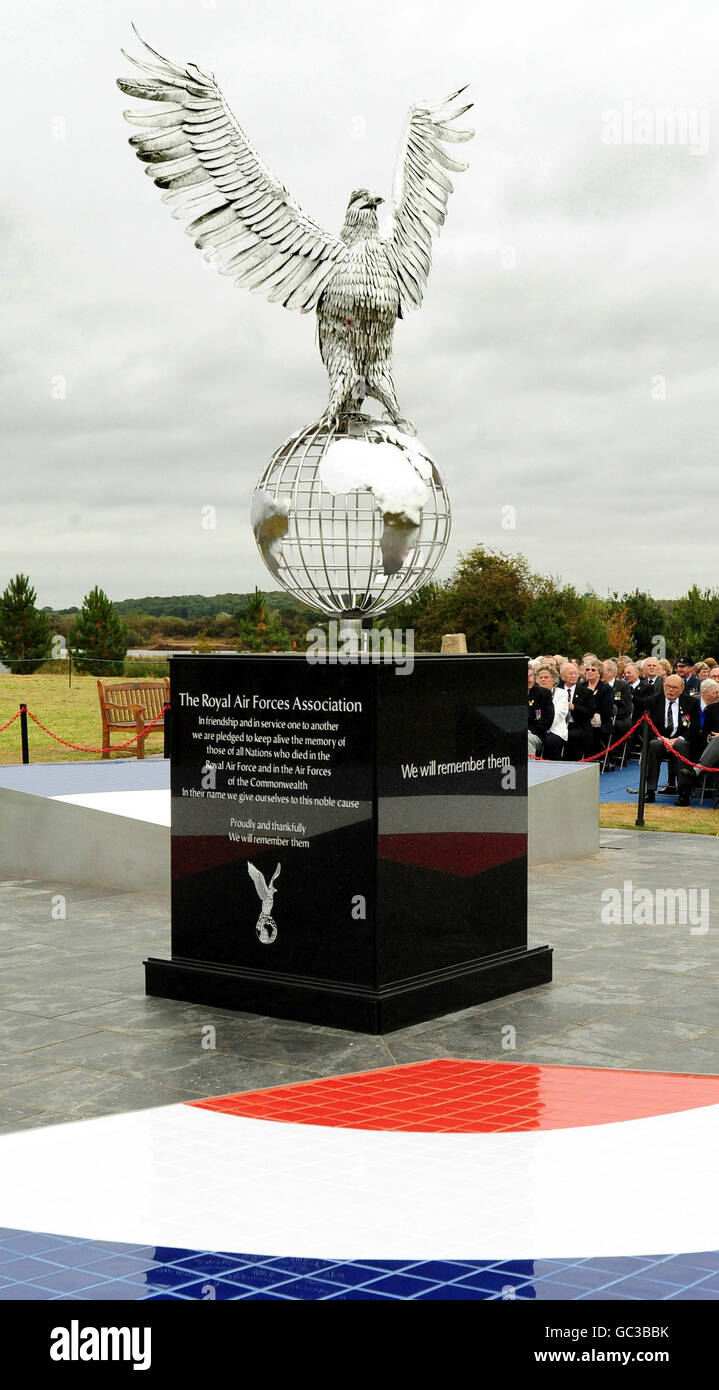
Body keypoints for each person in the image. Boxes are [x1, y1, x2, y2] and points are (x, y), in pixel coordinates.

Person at [630, 673, 697, 803]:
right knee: (654, 745)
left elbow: (694, 729)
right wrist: (662, 739)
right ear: (663, 686)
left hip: (680, 740)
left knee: (681, 746)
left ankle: (683, 792)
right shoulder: (652, 702)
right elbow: (647, 727)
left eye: (674, 687)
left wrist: (679, 739)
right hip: (660, 739)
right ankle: (650, 790)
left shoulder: (691, 702)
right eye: (668, 686)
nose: (671, 690)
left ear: (682, 688)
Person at [679, 678, 719, 806]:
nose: (718, 695)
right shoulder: (713, 709)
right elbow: (706, 730)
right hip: (710, 746)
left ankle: (696, 771)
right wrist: (708, 736)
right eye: (716, 692)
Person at [559, 661, 596, 760]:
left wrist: (574, 707)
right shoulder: (557, 690)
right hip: (559, 724)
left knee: (571, 736)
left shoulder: (586, 692)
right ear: (563, 676)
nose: (573, 676)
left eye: (575, 673)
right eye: (570, 673)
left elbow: (590, 713)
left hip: (579, 725)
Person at [601, 659, 633, 767]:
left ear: (611, 673)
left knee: (607, 728)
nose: (600, 673)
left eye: (603, 670)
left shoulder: (622, 686)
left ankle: (608, 758)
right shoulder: (599, 685)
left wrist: (611, 715)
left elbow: (627, 708)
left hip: (620, 719)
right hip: (602, 718)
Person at [535, 664, 568, 759]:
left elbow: (558, 714)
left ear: (554, 680)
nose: (543, 679)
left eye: (546, 677)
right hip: (537, 729)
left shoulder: (561, 694)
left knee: (550, 741)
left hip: (554, 730)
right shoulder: (535, 693)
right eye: (541, 677)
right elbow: (534, 713)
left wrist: (541, 725)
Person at [583, 659, 614, 757]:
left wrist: (590, 713)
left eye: (593, 670)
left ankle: (590, 757)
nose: (589, 672)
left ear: (599, 673)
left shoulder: (606, 689)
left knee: (588, 730)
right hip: (582, 719)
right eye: (587, 669)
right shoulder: (581, 686)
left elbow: (606, 709)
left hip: (600, 721)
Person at [528, 665, 553, 755]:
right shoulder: (513, 694)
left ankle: (529, 768)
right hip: (515, 733)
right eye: (526, 677)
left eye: (531, 676)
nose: (529, 680)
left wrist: (528, 730)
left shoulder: (543, 693)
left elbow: (547, 720)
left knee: (525, 740)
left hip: (535, 734)